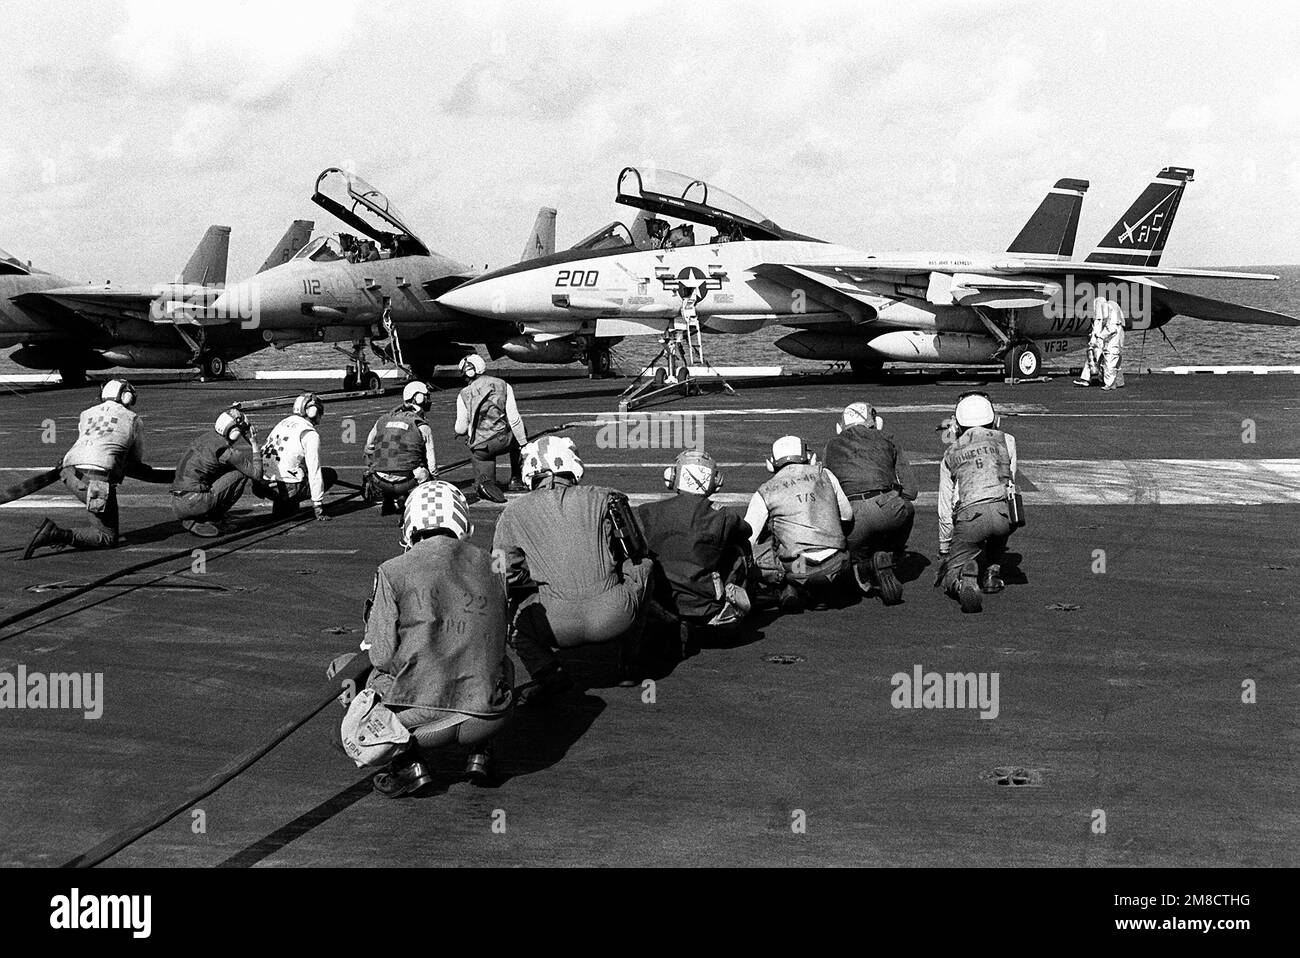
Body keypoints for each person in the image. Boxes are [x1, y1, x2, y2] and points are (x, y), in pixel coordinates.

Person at [334, 481, 515, 797]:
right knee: (498, 660)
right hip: (488, 713)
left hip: (419, 720)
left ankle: (408, 766)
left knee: (347, 670)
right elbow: (500, 633)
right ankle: (481, 754)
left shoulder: (392, 570)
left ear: (410, 524)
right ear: (460, 520)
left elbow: (380, 656)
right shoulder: (494, 564)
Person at [492, 436, 653, 697]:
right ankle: (628, 663)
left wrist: (538, 576)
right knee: (645, 566)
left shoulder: (512, 513)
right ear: (572, 464)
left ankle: (547, 672)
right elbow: (638, 549)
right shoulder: (608, 497)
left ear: (530, 473)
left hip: (555, 625)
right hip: (615, 616)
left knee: (513, 616)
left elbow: (501, 571)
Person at [23, 379, 160, 559]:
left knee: (102, 517)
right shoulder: (133, 419)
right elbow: (135, 461)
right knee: (106, 537)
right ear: (127, 397)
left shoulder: (86, 414)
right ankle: (54, 534)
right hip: (94, 483)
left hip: (68, 472)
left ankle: (56, 533)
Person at [637, 450, 753, 647]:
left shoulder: (648, 511)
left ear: (672, 477)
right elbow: (746, 532)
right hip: (704, 607)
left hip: (658, 602)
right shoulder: (724, 516)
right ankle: (732, 606)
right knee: (741, 548)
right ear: (715, 481)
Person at [822, 402, 918, 604]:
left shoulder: (830, 445)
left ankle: (863, 567)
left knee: (851, 553)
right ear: (875, 423)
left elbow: (826, 491)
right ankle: (891, 556)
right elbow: (911, 491)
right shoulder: (888, 439)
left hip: (853, 514)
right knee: (907, 509)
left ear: (840, 426)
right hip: (888, 508)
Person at [744, 435, 853, 611]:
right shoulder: (825, 474)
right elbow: (847, 516)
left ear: (771, 463)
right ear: (809, 457)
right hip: (837, 564)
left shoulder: (765, 491)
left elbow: (747, 538)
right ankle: (819, 592)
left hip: (799, 569)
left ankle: (787, 587)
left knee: (755, 553)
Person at [936, 393, 1019, 614]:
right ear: (994, 419)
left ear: (957, 424)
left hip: (970, 516)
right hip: (1003, 513)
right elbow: (1010, 482)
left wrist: (945, 547)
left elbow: (945, 505)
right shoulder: (1007, 440)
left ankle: (963, 581)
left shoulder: (949, 453)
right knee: (1000, 523)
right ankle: (992, 572)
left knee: (950, 575)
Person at [170, 406, 263, 537]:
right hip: (194, 501)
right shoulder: (226, 452)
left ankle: (195, 518)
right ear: (234, 431)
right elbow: (257, 474)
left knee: (223, 471)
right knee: (241, 474)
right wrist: (254, 444)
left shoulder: (206, 438)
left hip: (177, 500)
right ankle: (215, 519)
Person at [454, 354, 527, 503]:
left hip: (483, 448)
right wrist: (523, 444)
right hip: (505, 440)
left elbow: (460, 429)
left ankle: (488, 483)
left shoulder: (463, 394)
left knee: (485, 481)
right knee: (521, 431)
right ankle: (516, 479)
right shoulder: (503, 385)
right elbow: (514, 419)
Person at [256, 392, 337, 520]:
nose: (320, 417)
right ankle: (288, 499)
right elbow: (314, 470)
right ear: (313, 411)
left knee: (294, 468)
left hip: (264, 484)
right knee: (330, 475)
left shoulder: (284, 422)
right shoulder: (310, 434)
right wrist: (318, 505)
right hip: (287, 487)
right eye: (319, 412)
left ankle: (284, 504)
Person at [363, 380, 437, 515]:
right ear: (418, 397)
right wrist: (434, 480)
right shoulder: (421, 425)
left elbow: (368, 447)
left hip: (379, 480)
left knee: (389, 459)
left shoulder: (382, 419)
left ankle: (388, 501)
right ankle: (414, 506)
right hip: (406, 481)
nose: (429, 400)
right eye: (426, 396)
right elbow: (432, 465)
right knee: (424, 472)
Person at [1096, 296, 1126, 389]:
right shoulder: (1114, 305)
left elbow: (1111, 329)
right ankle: (1119, 381)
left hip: (1113, 336)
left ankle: (1110, 383)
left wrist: (1100, 335)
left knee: (1110, 358)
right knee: (1117, 359)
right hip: (1119, 334)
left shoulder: (1107, 308)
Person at [1074, 303, 1106, 387]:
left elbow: (1097, 333)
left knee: (1100, 361)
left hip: (1099, 343)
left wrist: (1092, 342)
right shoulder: (1097, 320)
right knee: (1090, 360)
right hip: (1097, 342)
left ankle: (1105, 379)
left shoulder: (1099, 321)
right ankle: (1086, 379)